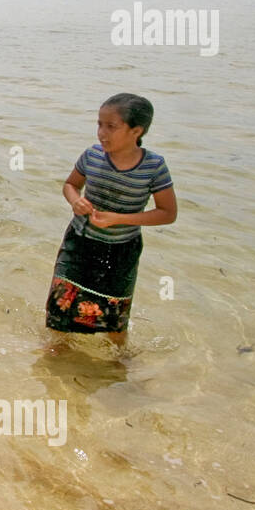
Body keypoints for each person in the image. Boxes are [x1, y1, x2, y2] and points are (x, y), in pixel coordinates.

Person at [44, 93, 177, 346]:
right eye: (99, 124)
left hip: (121, 250)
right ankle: (55, 352)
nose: (101, 133)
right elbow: (71, 184)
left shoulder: (154, 166)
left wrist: (120, 218)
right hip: (79, 241)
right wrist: (75, 201)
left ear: (136, 131)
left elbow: (168, 213)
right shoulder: (92, 155)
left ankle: (119, 362)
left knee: (114, 313)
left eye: (111, 126)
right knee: (60, 304)